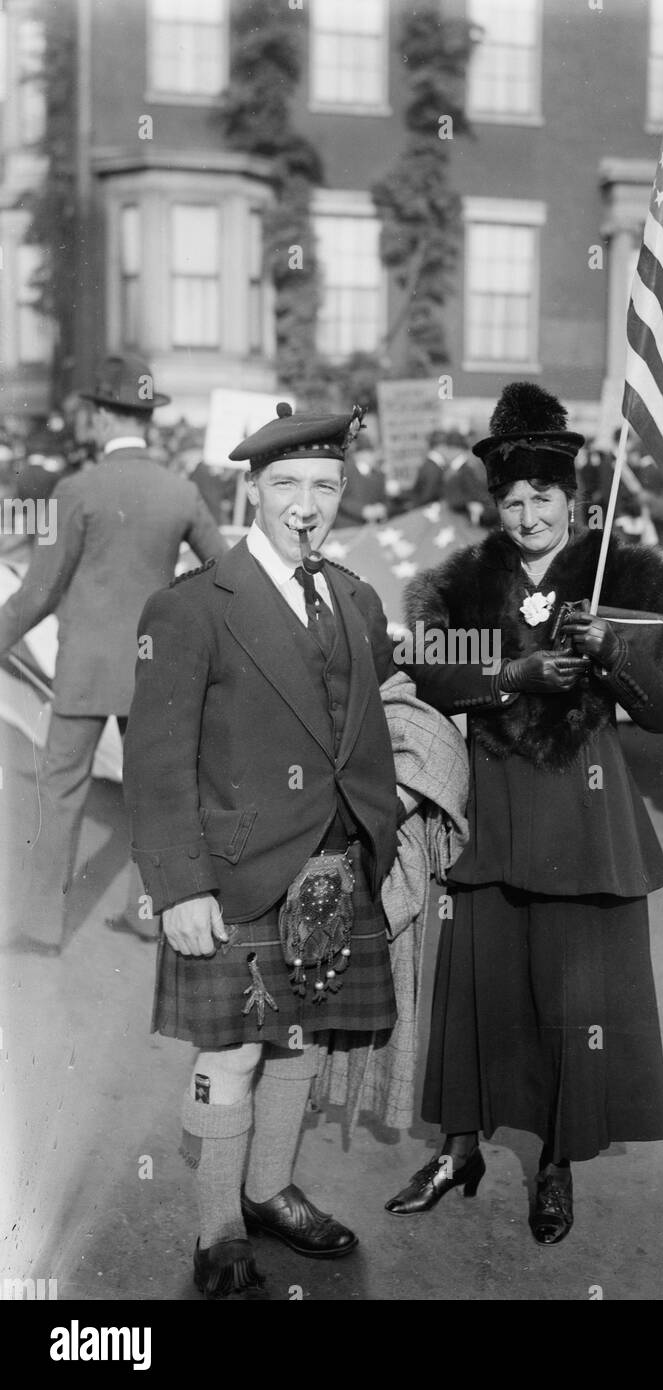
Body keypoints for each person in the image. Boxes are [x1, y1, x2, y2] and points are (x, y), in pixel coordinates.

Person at [384, 382, 663, 1244]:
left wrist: (611, 651)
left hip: (581, 819)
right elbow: (431, 672)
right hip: (490, 812)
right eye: (512, 500)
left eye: (542, 498)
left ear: (574, 501)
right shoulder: (465, 580)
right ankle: (459, 1148)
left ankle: (556, 1163)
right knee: (478, 984)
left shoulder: (621, 578)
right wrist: (509, 679)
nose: (525, 515)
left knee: (572, 998)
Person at [123, 402, 418, 1300]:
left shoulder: (357, 598)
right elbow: (157, 760)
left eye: (324, 486)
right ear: (252, 492)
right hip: (240, 872)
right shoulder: (188, 607)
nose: (306, 503)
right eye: (286, 484)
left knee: (301, 1044)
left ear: (341, 496)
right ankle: (218, 1229)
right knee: (231, 1056)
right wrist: (177, 886)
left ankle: (269, 1188)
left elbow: (378, 704)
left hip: (335, 870)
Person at [0, 352, 226, 955]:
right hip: (155, 670)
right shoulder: (181, 491)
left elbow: (38, 593)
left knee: (61, 789)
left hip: (84, 670)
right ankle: (148, 912)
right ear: (146, 421)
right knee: (152, 792)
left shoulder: (74, 490)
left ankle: (42, 926)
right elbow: (222, 573)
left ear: (101, 419)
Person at [333, 440, 388, 527]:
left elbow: (383, 498)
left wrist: (382, 508)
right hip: (348, 526)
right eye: (371, 452)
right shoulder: (346, 471)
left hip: (372, 527)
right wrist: (362, 510)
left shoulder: (379, 474)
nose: (376, 457)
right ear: (360, 454)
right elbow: (339, 498)